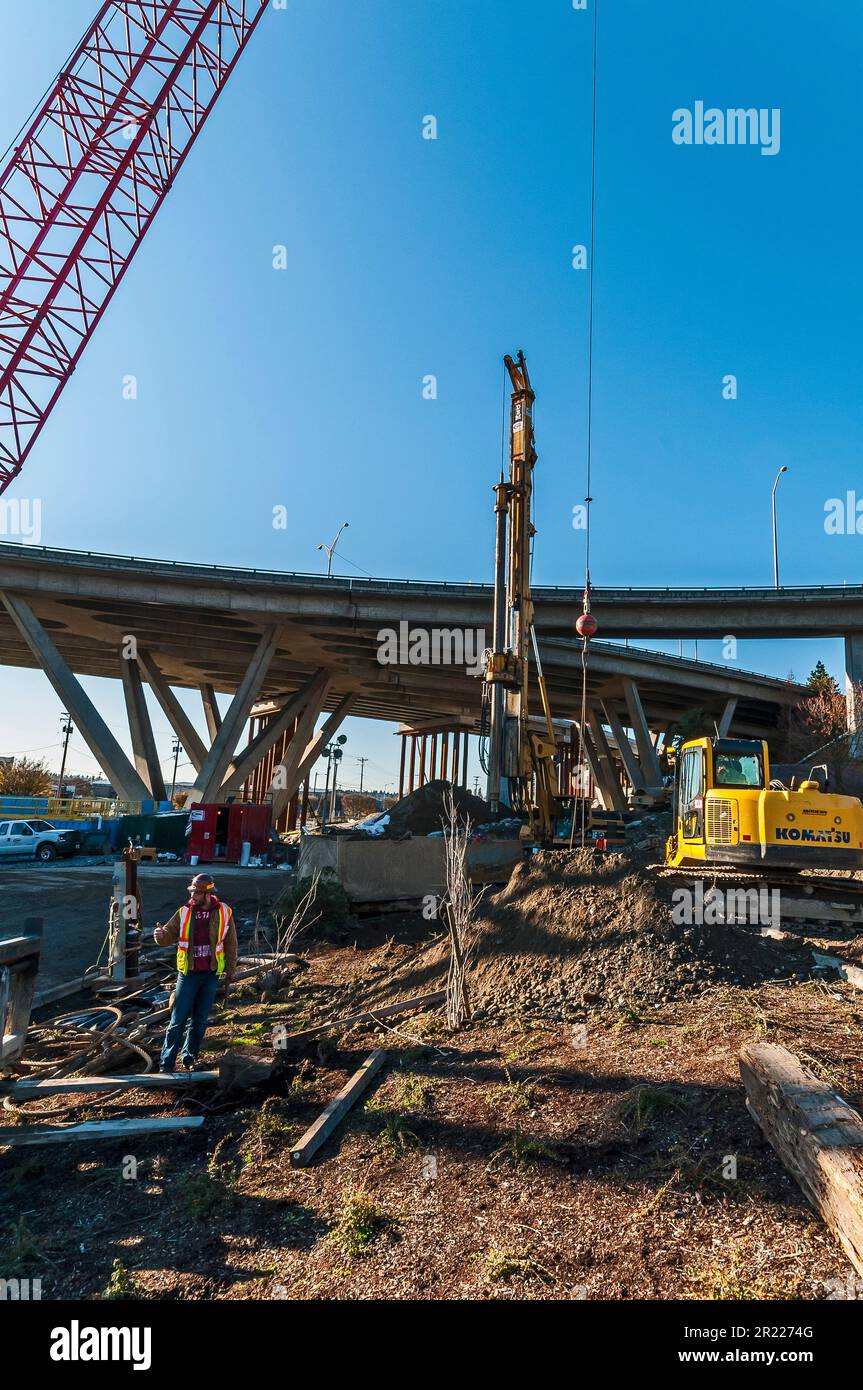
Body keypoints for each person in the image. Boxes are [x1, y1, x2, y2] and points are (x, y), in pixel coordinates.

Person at [154, 872, 237, 1072]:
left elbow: (231, 943)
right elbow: (168, 935)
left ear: (208, 894)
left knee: (199, 1020)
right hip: (188, 973)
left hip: (210, 973)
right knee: (178, 1019)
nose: (193, 895)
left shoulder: (225, 912)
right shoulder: (184, 912)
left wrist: (230, 970)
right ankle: (166, 1063)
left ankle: (188, 1056)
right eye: (192, 891)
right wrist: (160, 935)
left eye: (197, 893)